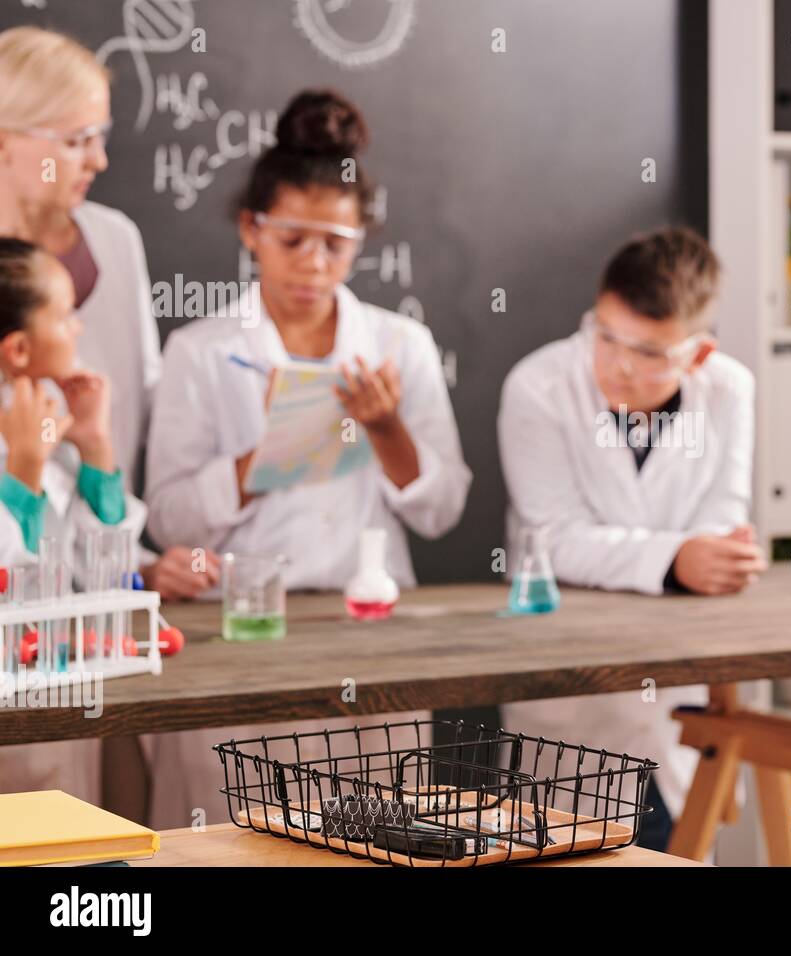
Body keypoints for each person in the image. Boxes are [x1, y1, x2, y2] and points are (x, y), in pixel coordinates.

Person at [142, 89, 472, 829]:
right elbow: (168, 521)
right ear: (251, 227)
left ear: (360, 241)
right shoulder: (200, 350)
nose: (314, 264)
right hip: (234, 632)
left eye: (336, 243)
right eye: (293, 239)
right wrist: (260, 460)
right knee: (224, 838)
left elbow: (444, 508)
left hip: (366, 631)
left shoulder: (398, 345)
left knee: (375, 837)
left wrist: (386, 431)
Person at [497, 226, 762, 849]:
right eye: (606, 335)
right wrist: (678, 558)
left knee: (675, 844)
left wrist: (718, 553)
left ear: (697, 354)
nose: (617, 364)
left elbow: (722, 516)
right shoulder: (538, 385)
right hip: (570, 678)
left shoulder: (729, 389)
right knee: (564, 846)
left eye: (648, 352)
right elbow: (551, 539)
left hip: (680, 676)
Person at [0, 25, 210, 601]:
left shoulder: (115, 241)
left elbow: (132, 415)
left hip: (100, 595)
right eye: (74, 140)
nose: (98, 159)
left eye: (102, 135)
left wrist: (133, 565)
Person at [0, 238, 147, 802]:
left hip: (64, 694)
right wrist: (21, 475)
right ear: (17, 350)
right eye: (64, 316)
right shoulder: (27, 445)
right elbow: (12, 578)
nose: (78, 330)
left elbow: (107, 578)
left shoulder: (49, 429)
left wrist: (96, 449)